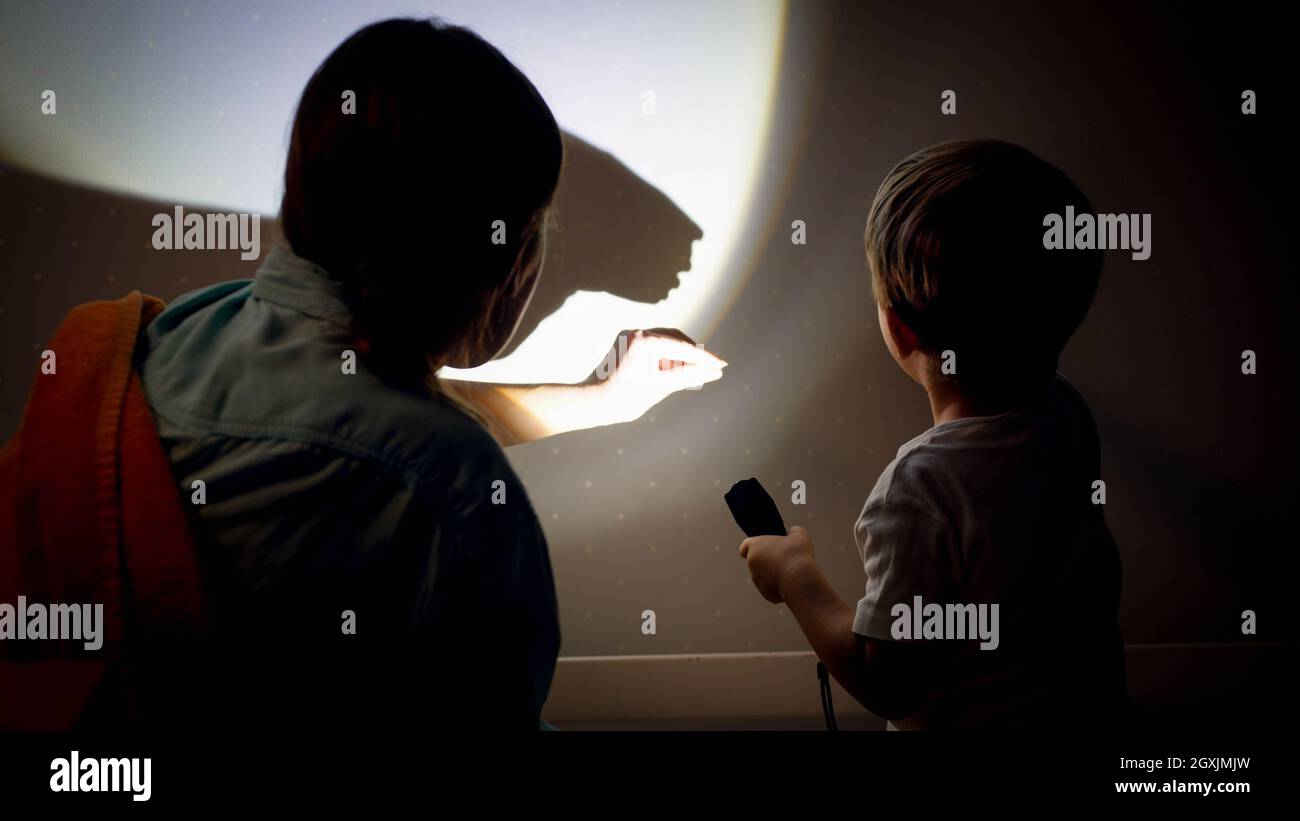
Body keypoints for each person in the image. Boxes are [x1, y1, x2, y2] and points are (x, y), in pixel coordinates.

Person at [123, 18, 722, 730]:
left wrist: (599, 398)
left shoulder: (191, 327)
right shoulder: (456, 495)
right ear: (507, 259)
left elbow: (350, 408)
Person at [737, 140, 1125, 730]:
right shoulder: (1066, 411)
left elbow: (887, 679)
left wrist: (794, 574)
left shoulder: (918, 492)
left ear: (897, 329)